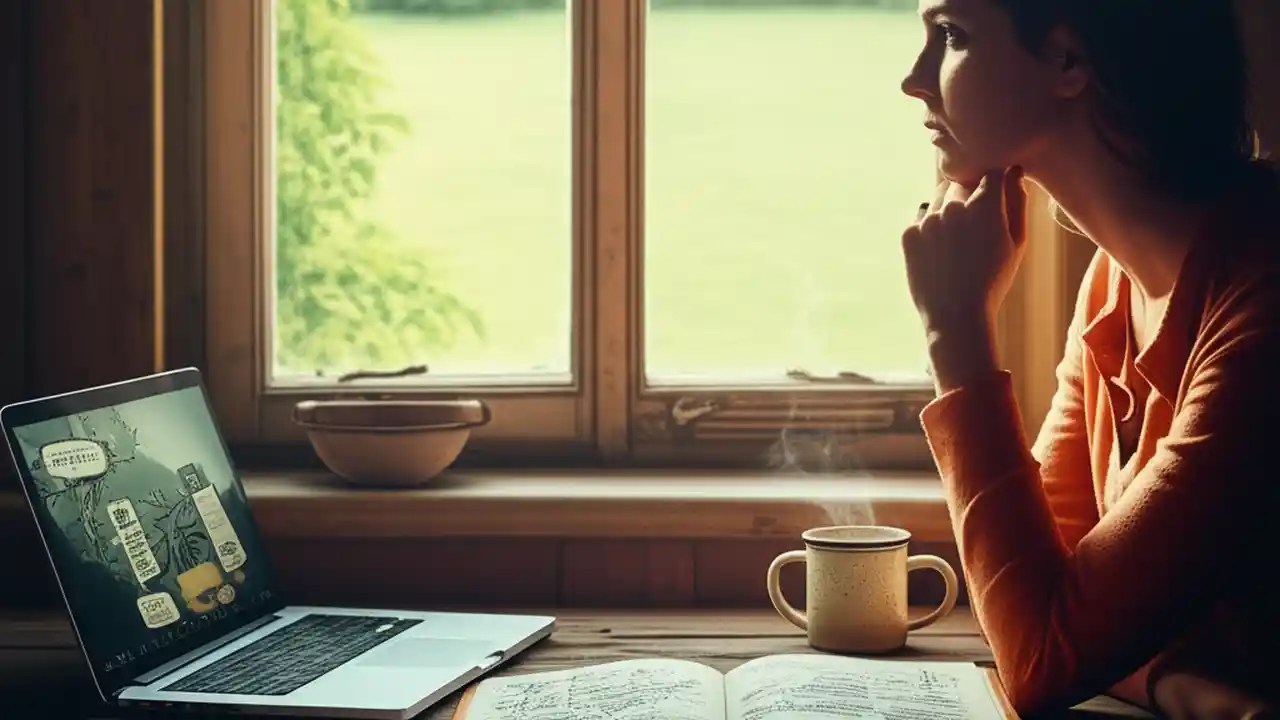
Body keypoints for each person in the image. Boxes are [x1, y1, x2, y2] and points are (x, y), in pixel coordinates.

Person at [898, 0, 1280, 717]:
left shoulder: (1263, 300)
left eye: (950, 36)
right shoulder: (1112, 283)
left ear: (1069, 63)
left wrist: (955, 335)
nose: (914, 80)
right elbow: (1044, 608)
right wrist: (1179, 684)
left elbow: (1041, 658)